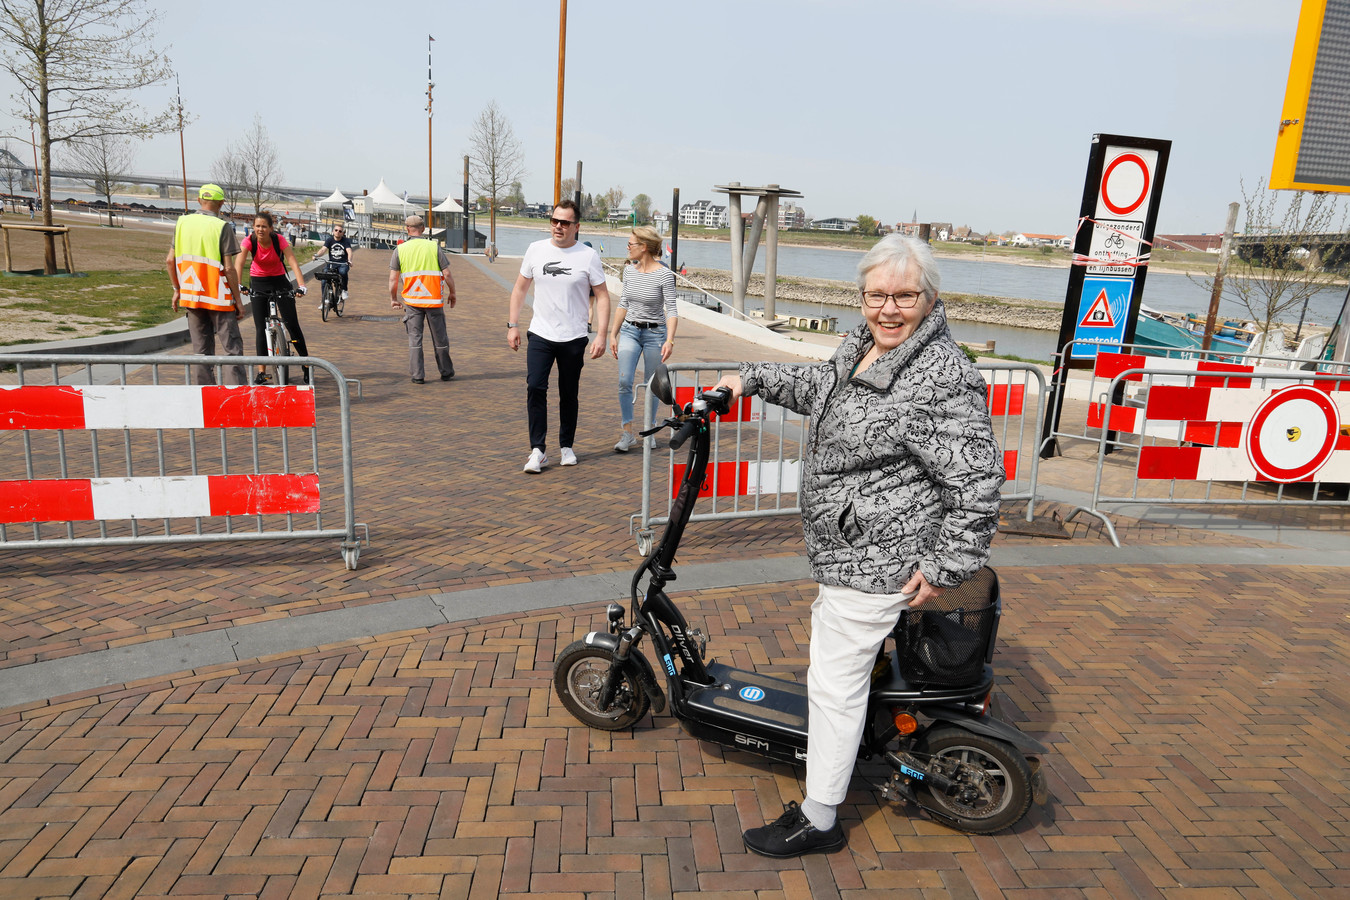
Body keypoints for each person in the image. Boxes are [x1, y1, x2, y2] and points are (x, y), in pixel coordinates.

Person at [714, 234, 1004, 859]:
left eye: (903, 296)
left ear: (929, 298)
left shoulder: (942, 376)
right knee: (844, 673)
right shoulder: (864, 346)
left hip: (880, 558)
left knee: (834, 685)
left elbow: (977, 481)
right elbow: (822, 387)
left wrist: (945, 564)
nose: (888, 309)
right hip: (850, 546)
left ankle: (820, 818)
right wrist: (752, 377)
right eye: (877, 295)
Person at [506, 200, 610, 473]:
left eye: (565, 223)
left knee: (569, 393)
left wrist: (601, 335)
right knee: (535, 388)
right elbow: (519, 289)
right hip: (540, 334)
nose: (558, 227)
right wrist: (512, 324)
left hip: (574, 337)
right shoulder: (535, 250)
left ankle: (566, 446)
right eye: (554, 221)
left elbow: (602, 296)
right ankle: (538, 451)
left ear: (577, 227)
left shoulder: (587, 256)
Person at [165, 183, 247, 386]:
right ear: (221, 203)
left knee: (200, 352)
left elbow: (169, 260)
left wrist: (177, 289)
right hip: (218, 296)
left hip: (191, 296)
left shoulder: (182, 223)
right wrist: (238, 300)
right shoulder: (222, 226)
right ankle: (235, 396)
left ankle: (203, 397)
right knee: (232, 350)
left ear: (199, 200)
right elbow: (229, 269)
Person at [609, 225, 677, 452]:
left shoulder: (665, 275)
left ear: (644, 247)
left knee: (652, 384)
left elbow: (672, 310)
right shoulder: (628, 270)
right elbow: (623, 303)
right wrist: (613, 333)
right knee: (624, 381)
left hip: (655, 334)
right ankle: (627, 433)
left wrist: (670, 340)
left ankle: (650, 430)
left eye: (631, 244)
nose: (627, 248)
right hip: (630, 331)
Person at [237, 210, 309, 385]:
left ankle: (306, 365)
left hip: (279, 281)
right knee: (261, 328)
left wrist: (301, 286)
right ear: (253, 227)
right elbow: (239, 262)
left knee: (292, 324)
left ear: (270, 228)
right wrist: (239, 285)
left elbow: (292, 261)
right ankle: (262, 372)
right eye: (257, 226)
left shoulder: (279, 240)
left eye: (264, 226)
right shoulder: (249, 241)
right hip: (258, 282)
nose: (260, 229)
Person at [389, 214, 456, 383]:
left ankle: (418, 375)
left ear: (407, 229)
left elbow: (393, 280)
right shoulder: (434, 247)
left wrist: (393, 298)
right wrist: (452, 292)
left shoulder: (400, 249)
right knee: (440, 338)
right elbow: (446, 273)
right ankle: (446, 371)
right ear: (423, 229)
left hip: (412, 302)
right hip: (433, 300)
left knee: (415, 339)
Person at [316, 223, 355, 305]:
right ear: (333, 231)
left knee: (343, 272)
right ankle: (324, 299)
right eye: (336, 230)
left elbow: (349, 251)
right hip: (331, 264)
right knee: (324, 278)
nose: (338, 232)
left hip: (343, 264)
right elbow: (323, 250)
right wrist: (316, 255)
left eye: (340, 231)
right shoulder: (329, 240)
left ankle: (344, 290)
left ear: (342, 233)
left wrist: (349, 260)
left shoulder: (345, 241)